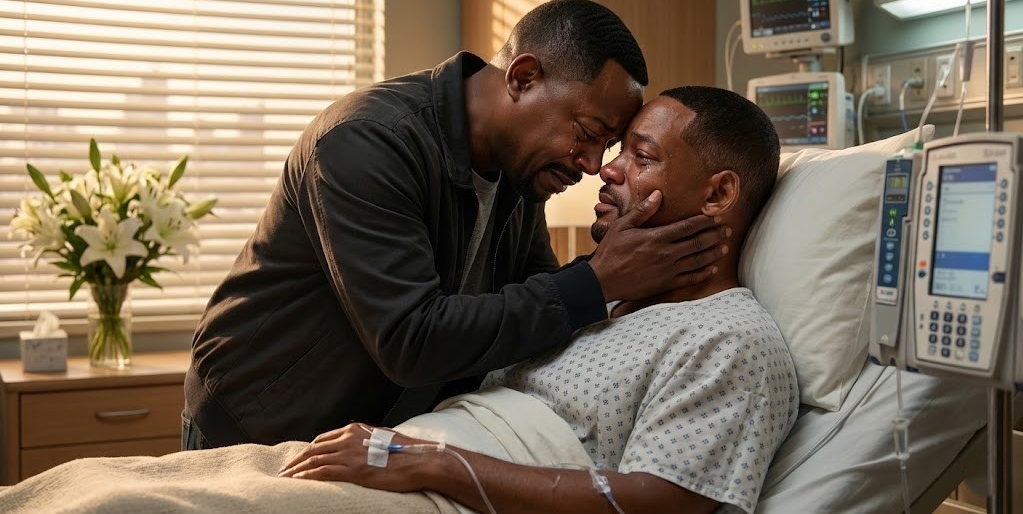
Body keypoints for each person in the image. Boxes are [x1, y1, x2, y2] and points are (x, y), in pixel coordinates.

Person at [183, 0, 731, 449]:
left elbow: (537, 296)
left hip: (371, 435)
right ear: (523, 77)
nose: (592, 164)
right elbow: (410, 339)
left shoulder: (521, 168)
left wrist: (624, 276)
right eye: (587, 132)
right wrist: (599, 279)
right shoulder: (367, 141)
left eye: (606, 145)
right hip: (257, 425)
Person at [277, 86, 798, 514]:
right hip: (394, 453)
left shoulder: (730, 339)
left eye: (641, 157)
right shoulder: (600, 297)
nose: (606, 170)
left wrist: (434, 462)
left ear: (717, 195)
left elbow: (659, 502)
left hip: (436, 482)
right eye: (617, 150)